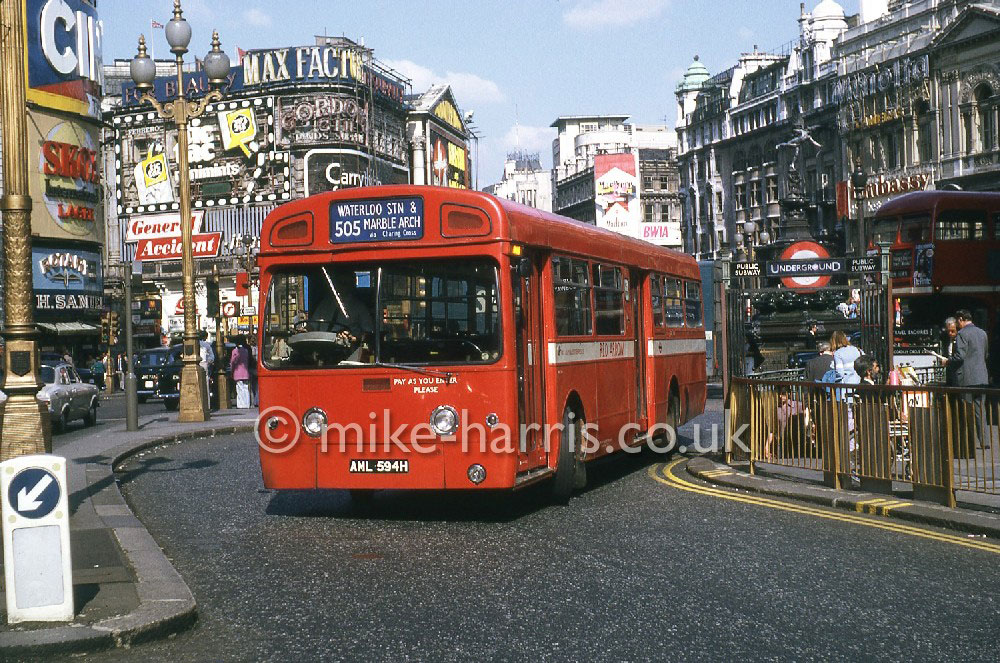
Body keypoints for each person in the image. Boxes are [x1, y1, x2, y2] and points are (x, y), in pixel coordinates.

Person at [944, 309, 990, 448]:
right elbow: (985, 354)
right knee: (980, 409)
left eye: (958, 321)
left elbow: (960, 356)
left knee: (966, 411)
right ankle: (984, 441)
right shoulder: (982, 333)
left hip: (966, 378)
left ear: (961, 319)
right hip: (981, 376)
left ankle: (968, 443)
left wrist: (948, 361)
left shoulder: (962, 334)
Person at [230, 337, 251, 409]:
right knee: (245, 388)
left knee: (239, 389)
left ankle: (241, 404)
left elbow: (233, 362)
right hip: (245, 372)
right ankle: (247, 404)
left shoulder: (235, 351)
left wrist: (232, 371)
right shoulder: (246, 351)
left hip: (237, 372)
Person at [942, 317, 959, 386]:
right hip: (949, 372)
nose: (950, 333)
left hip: (958, 372)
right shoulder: (946, 340)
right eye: (948, 331)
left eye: (952, 331)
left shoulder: (961, 340)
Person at [198, 330, 215, 396]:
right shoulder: (206, 345)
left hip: (197, 364)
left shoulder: (197, 344)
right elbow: (212, 356)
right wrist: (208, 362)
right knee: (205, 383)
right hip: (204, 363)